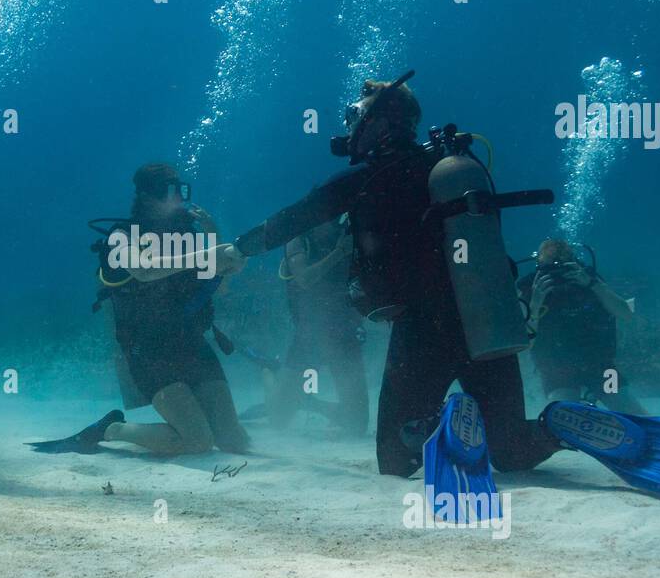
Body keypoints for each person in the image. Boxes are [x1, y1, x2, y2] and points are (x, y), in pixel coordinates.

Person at [231, 74, 558, 476]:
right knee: (512, 451)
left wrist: (240, 247)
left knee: (394, 459)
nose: (351, 127)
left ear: (380, 122)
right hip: (486, 319)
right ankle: (556, 427)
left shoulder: (368, 177)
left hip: (424, 329)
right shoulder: (450, 167)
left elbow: (298, 216)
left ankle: (444, 421)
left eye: (356, 116)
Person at [31, 164, 250, 456]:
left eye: (179, 189)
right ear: (146, 195)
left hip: (192, 343)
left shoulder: (191, 235)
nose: (175, 198)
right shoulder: (121, 236)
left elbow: (219, 288)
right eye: (166, 190)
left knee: (233, 440)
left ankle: (207, 419)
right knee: (197, 441)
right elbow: (143, 269)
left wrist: (219, 246)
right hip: (151, 351)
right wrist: (211, 253)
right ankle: (110, 430)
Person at [264, 217, 369, 435]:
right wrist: (339, 252)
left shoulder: (348, 232)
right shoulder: (299, 238)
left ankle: (309, 402)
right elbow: (304, 278)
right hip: (309, 333)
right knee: (277, 421)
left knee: (357, 425)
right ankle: (275, 380)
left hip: (344, 330)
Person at [520, 239, 646, 414]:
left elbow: (626, 314)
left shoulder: (590, 281)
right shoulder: (530, 287)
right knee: (564, 416)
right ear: (539, 266)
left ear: (575, 263)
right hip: (556, 368)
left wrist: (593, 285)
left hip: (600, 365)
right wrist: (534, 305)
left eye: (564, 267)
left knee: (635, 415)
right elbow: (526, 342)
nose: (559, 275)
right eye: (550, 269)